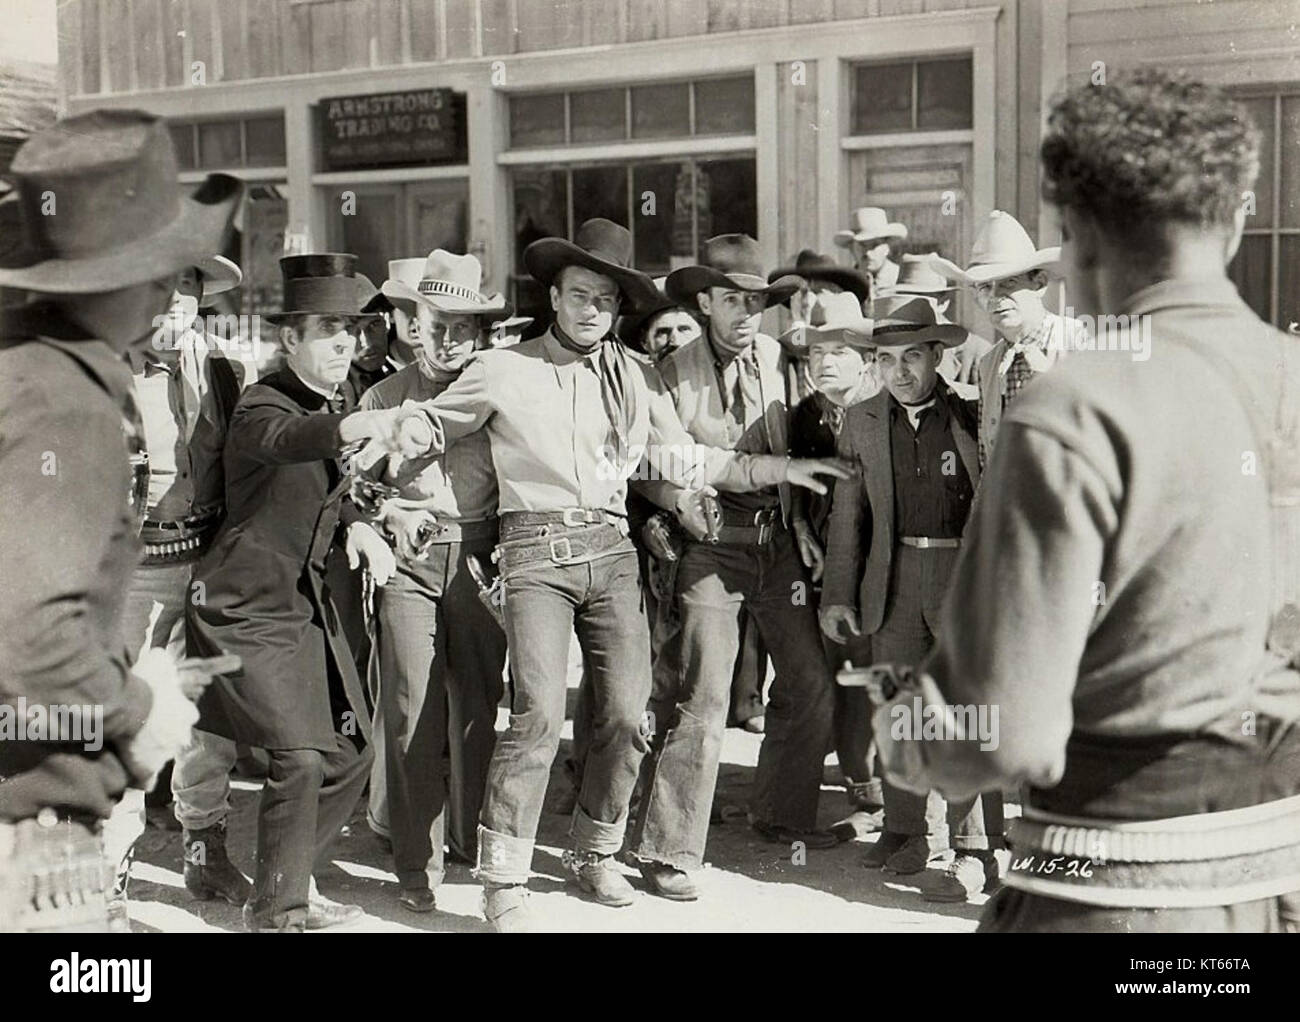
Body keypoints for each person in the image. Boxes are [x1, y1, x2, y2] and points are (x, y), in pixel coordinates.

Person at [867, 68, 1300, 931]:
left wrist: (901, 732)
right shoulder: (1288, 376)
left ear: (1079, 236)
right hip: (1273, 876)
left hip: (1116, 888)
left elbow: (1003, 731)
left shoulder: (1076, 405)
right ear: (1236, 218)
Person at [376, 218, 849, 930]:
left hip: (612, 551)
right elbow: (436, 422)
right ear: (554, 297)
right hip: (533, 550)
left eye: (604, 298)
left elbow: (684, 456)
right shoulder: (504, 367)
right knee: (538, 713)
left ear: (618, 307)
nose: (591, 309)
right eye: (578, 294)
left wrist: (773, 470)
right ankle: (503, 877)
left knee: (628, 715)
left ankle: (593, 851)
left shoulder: (636, 376)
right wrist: (381, 453)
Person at [0, 109, 241, 932]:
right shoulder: (67, 404)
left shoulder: (27, 372)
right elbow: (29, 637)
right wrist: (139, 707)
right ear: (124, 278)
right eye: (166, 272)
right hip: (34, 836)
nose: (172, 295)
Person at [187, 253, 410, 932]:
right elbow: (289, 441)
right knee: (298, 756)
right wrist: (357, 426)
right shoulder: (263, 405)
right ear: (289, 338)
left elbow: (318, 481)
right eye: (328, 330)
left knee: (352, 753)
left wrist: (363, 521)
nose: (346, 343)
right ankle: (276, 912)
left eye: (352, 330)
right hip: (241, 607)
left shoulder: (324, 400)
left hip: (300, 606)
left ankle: (287, 883)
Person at [625, 233, 848, 904]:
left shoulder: (781, 361)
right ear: (705, 303)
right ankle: (667, 848)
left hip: (777, 546)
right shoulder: (667, 373)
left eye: (755, 302)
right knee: (704, 693)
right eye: (732, 301)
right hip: (711, 546)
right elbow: (652, 465)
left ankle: (780, 812)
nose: (746, 314)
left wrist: (801, 526)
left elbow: (802, 456)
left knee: (809, 681)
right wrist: (674, 502)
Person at [819, 294, 1003, 902]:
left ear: (937, 357)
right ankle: (905, 831)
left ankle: (974, 849)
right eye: (886, 359)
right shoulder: (863, 420)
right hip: (893, 575)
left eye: (912, 357)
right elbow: (847, 514)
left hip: (960, 574)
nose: (899, 372)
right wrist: (838, 594)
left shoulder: (972, 412)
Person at [354, 250, 508, 914]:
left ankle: (472, 838)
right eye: (435, 325)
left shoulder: (497, 392)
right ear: (413, 324)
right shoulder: (382, 398)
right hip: (407, 564)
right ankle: (416, 861)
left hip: (479, 559)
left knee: (478, 706)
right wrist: (389, 512)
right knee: (411, 708)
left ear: (480, 332)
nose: (447, 341)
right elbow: (353, 487)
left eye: (461, 328)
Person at [103, 256, 254, 928]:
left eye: (187, 287)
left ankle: (204, 851)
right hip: (131, 569)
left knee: (208, 720)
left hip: (209, 558)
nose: (174, 301)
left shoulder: (228, 367)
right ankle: (108, 877)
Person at [784, 292, 884, 832]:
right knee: (841, 666)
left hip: (884, 554)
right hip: (825, 557)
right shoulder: (806, 415)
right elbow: (800, 481)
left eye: (839, 351)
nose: (824, 362)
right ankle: (859, 781)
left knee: (883, 667)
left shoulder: (886, 404)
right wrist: (801, 526)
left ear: (866, 358)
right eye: (817, 352)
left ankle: (900, 792)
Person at [931, 211, 1088, 466]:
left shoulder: (1080, 343)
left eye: (1008, 282)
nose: (995, 296)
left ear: (1039, 284)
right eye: (985, 286)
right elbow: (987, 460)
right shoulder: (989, 364)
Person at [879, 253, 991, 394]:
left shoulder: (977, 352)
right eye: (903, 299)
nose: (911, 308)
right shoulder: (889, 349)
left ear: (943, 303)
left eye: (921, 300)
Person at [834, 207, 908, 291]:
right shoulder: (844, 283)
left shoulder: (901, 277)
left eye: (875, 245)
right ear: (851, 248)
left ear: (887, 247)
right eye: (862, 245)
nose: (868, 253)